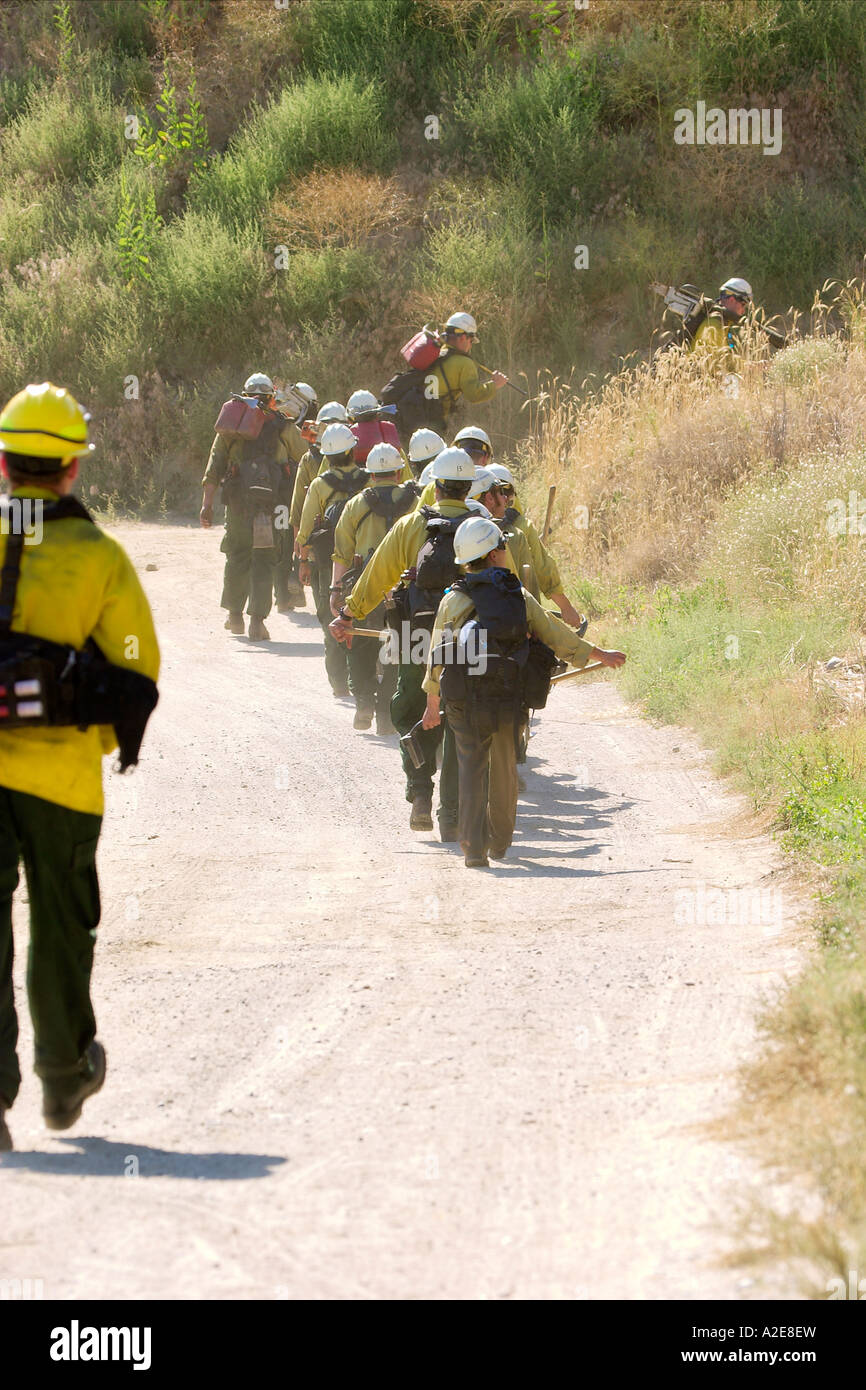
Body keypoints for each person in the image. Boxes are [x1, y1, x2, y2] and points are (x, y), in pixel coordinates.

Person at [0, 382, 160, 1150]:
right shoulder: (100, 556)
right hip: (60, 781)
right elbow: (136, 671)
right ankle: (64, 1077)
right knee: (62, 928)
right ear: (71, 472)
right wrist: (89, 736)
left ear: (4, 464)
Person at [329, 446, 519, 839]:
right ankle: (451, 816)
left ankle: (419, 794)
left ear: (435, 485)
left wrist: (349, 615)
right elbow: (510, 583)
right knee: (459, 721)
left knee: (411, 709)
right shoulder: (485, 525)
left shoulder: (412, 524)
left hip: (416, 636)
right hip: (471, 640)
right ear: (469, 487)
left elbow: (377, 575)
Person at [420, 516, 625, 868]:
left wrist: (432, 702)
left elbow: (436, 655)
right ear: (497, 554)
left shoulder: (452, 600)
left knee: (470, 768)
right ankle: (499, 842)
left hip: (462, 700)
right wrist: (599, 654)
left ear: (465, 559)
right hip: (504, 696)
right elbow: (556, 635)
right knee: (503, 770)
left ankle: (472, 849)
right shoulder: (517, 595)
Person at [200, 372, 306, 641]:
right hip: (267, 508)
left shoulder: (231, 426)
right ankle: (257, 623)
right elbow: (305, 459)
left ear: (244, 396)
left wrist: (207, 506)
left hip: (237, 505)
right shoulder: (283, 425)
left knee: (237, 555)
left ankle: (235, 616)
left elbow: (214, 468)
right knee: (263, 560)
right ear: (272, 398)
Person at [330, 442, 418, 734]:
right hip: (402, 589)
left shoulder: (356, 504)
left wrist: (336, 590)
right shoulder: (416, 502)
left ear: (371, 474)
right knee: (396, 650)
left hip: (364, 587)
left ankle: (364, 703)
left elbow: (342, 553)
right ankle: (385, 716)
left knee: (359, 648)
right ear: (398, 471)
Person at [297, 421, 369, 697]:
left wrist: (303, 560)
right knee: (359, 615)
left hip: (327, 562)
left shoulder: (319, 484)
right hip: (361, 559)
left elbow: (305, 529)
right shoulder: (367, 479)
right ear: (353, 450)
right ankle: (359, 677)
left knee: (330, 617)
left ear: (326, 455)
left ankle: (339, 683)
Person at [487, 462, 586, 628]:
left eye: (506, 492)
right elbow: (543, 568)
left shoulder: (467, 528)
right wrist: (566, 608)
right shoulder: (522, 527)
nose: (504, 497)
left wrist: (566, 608)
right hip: (520, 615)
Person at [273, 380, 318, 612]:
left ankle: (285, 593)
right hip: (288, 494)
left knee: (281, 543)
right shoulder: (290, 429)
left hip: (270, 494)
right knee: (289, 541)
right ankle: (286, 594)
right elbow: (305, 458)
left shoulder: (272, 423)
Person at [425, 313, 508, 429]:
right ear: (464, 338)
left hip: (416, 414)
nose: (470, 346)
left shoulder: (436, 353)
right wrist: (494, 385)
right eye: (471, 341)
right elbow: (474, 395)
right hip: (434, 423)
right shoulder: (465, 363)